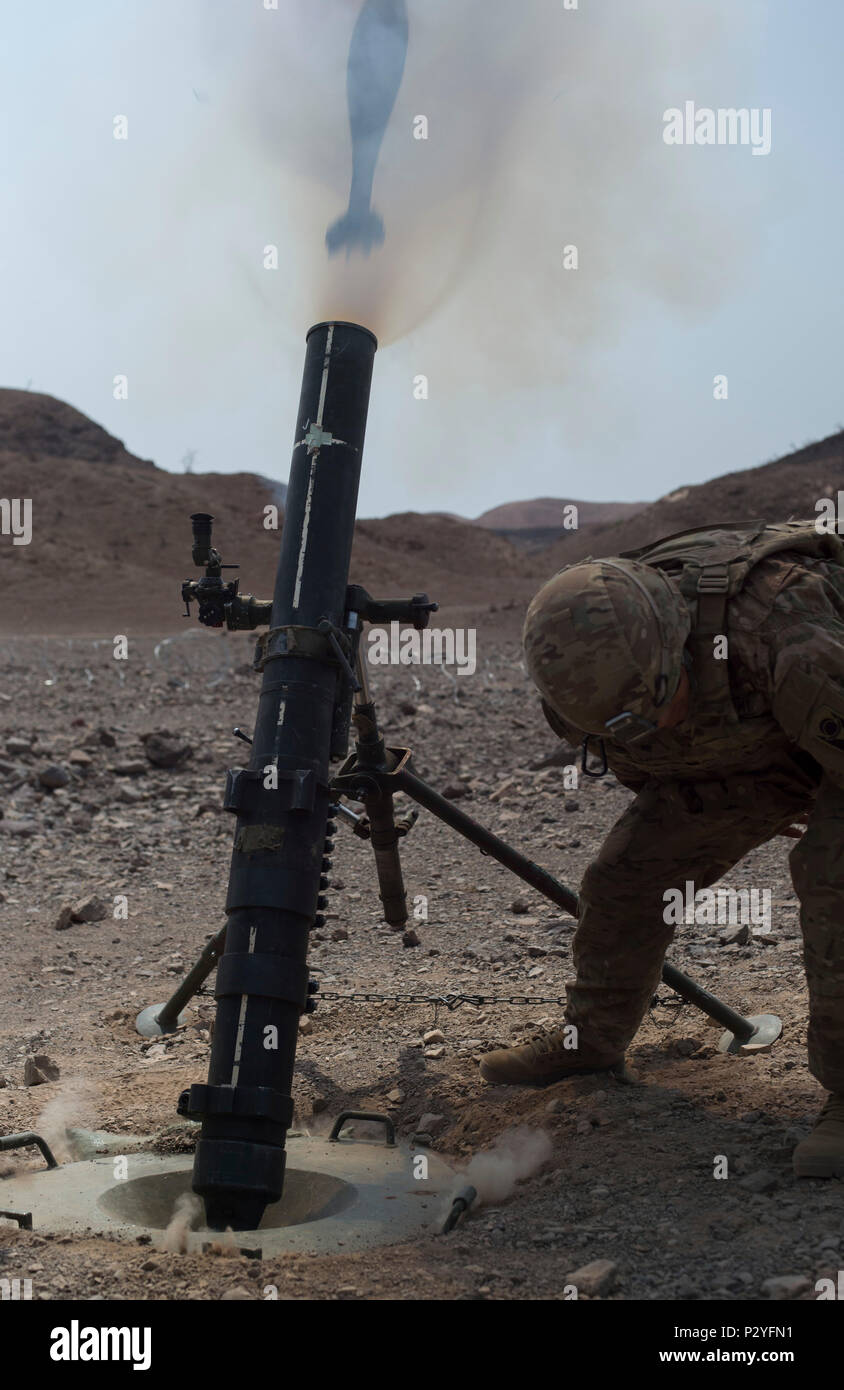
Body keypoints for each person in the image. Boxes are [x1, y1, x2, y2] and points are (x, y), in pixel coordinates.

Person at [479, 519, 844, 1177]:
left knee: (834, 879)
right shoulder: (584, 672)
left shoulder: (787, 634)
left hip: (825, 712)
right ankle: (589, 1040)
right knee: (627, 879)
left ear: (683, 647)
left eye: (655, 707)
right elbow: (651, 763)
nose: (647, 730)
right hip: (758, 743)